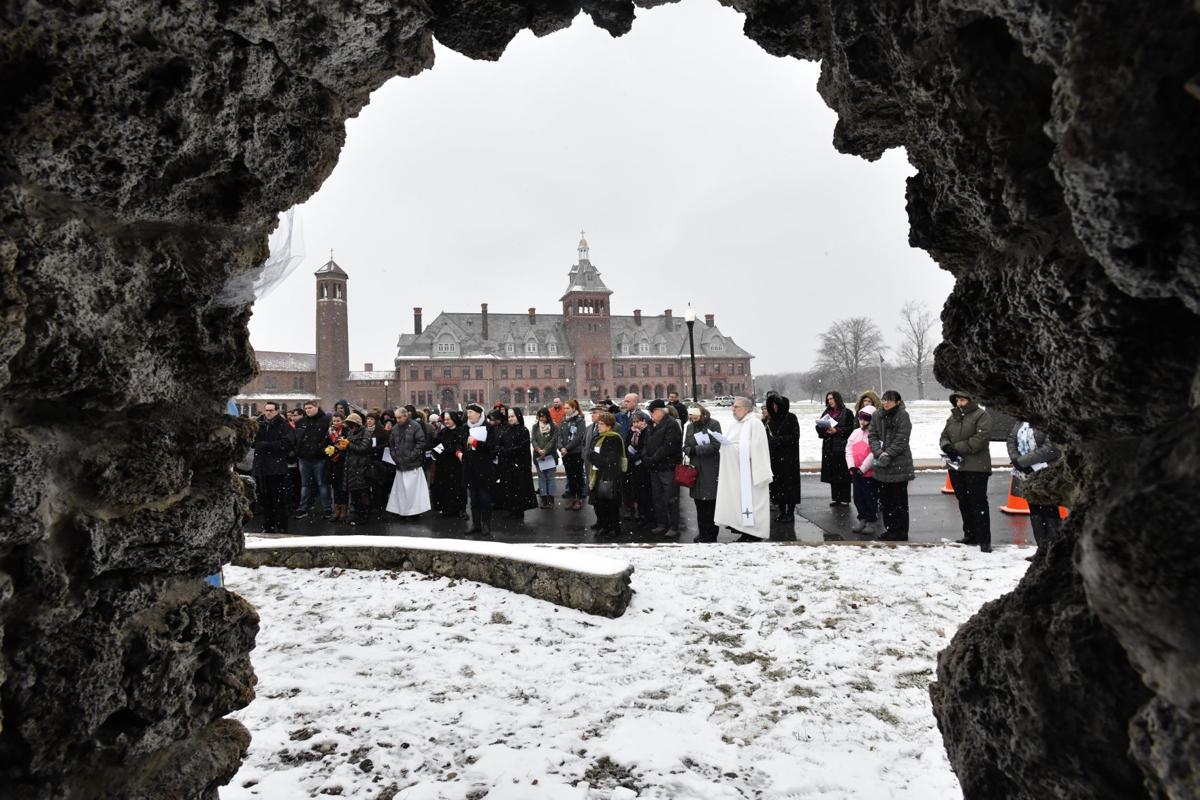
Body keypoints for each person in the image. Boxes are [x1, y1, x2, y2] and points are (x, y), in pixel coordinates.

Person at [940, 390, 995, 552]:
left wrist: (956, 448)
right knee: (964, 502)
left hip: (976, 467)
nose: (959, 403)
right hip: (957, 467)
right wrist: (946, 446)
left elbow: (980, 439)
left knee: (978, 503)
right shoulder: (953, 417)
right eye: (957, 400)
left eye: (962, 400)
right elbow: (944, 435)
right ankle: (970, 534)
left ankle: (984, 540)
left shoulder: (982, 416)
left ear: (970, 400)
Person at [715, 396, 774, 541]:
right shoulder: (734, 424)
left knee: (753, 503)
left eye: (736, 407)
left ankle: (755, 533)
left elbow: (758, 448)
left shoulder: (755, 424)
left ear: (747, 409)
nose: (733, 409)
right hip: (737, 473)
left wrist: (733, 448)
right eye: (733, 406)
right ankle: (745, 531)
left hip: (752, 473)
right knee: (740, 503)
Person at [1006, 421, 1064, 552]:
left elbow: (1051, 447)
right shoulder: (1020, 421)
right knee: (1035, 511)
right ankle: (1042, 550)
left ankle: (1054, 551)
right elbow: (1011, 440)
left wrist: (1023, 461)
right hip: (1025, 473)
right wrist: (1017, 460)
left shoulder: (1046, 418)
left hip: (1046, 472)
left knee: (1049, 511)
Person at [868, 390, 915, 541]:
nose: (886, 403)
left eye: (890, 400)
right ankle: (890, 529)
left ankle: (900, 531)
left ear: (898, 402)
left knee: (899, 502)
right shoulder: (877, 415)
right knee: (886, 501)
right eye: (884, 400)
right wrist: (879, 453)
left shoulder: (903, 415)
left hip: (899, 465)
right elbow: (872, 435)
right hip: (881, 465)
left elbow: (902, 439)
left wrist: (888, 454)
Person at [642, 399, 683, 536]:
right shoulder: (651, 424)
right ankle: (662, 524)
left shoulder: (671, 424)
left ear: (660, 411)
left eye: (652, 411)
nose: (650, 414)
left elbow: (669, 446)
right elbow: (646, 443)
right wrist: (645, 456)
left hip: (668, 467)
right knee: (657, 497)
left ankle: (673, 526)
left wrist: (653, 458)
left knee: (671, 497)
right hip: (655, 467)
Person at [252, 402, 292, 533]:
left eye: (271, 410)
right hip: (262, 467)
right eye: (266, 410)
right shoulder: (260, 424)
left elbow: (287, 443)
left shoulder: (283, 425)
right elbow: (253, 442)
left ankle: (281, 525)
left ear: (276, 411)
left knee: (278, 498)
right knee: (264, 498)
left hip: (276, 467)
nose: (268, 413)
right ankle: (268, 524)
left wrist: (268, 445)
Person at [683, 405, 722, 542]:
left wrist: (697, 450)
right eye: (690, 417)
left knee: (710, 503)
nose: (692, 419)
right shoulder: (690, 427)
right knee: (699, 502)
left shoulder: (714, 424)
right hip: (695, 469)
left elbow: (716, 445)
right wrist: (689, 450)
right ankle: (702, 532)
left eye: (694, 417)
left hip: (710, 468)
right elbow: (686, 445)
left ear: (702, 414)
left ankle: (711, 534)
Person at [386, 406, 431, 521]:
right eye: (396, 418)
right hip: (400, 464)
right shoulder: (395, 428)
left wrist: (411, 456)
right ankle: (402, 511)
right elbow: (391, 444)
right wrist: (395, 456)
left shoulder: (415, 426)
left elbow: (421, 442)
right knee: (401, 491)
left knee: (412, 491)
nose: (398, 420)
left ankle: (413, 512)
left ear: (406, 416)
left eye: (400, 417)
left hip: (412, 464)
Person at [588, 411, 627, 538]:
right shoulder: (598, 436)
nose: (598, 426)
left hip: (610, 475)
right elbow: (591, 453)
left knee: (610, 504)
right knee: (599, 503)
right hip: (598, 473)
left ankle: (613, 528)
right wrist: (593, 456)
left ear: (609, 425)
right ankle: (604, 525)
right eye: (598, 423)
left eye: (601, 423)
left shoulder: (614, 438)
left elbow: (609, 461)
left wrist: (593, 457)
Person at [763, 393, 802, 523]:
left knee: (789, 487)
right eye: (772, 405)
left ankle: (790, 512)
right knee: (777, 487)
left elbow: (795, 437)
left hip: (789, 459)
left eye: (776, 405)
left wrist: (778, 440)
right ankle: (782, 511)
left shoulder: (791, 417)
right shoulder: (771, 420)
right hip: (775, 458)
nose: (774, 408)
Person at [293, 400, 333, 520]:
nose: (308, 410)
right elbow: (297, 438)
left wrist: (321, 450)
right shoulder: (302, 422)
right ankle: (303, 508)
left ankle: (327, 509)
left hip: (319, 458)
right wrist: (298, 451)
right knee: (305, 485)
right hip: (304, 457)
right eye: (306, 408)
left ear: (316, 407)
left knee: (323, 484)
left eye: (310, 407)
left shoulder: (325, 421)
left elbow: (329, 439)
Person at [845, 404, 881, 535]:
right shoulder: (855, 433)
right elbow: (848, 449)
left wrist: (863, 468)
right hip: (856, 473)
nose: (863, 421)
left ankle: (871, 520)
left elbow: (873, 453)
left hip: (869, 474)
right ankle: (863, 518)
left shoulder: (875, 434)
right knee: (858, 497)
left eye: (866, 419)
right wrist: (851, 466)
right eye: (861, 418)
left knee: (870, 497)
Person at [498, 407, 539, 520]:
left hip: (519, 465)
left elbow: (522, 447)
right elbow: (500, 443)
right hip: (508, 465)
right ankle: (511, 509)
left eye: (513, 416)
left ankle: (518, 510)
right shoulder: (505, 430)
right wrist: (502, 450)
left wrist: (508, 451)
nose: (510, 418)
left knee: (519, 488)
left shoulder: (523, 430)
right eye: (509, 416)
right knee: (509, 488)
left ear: (518, 417)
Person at [462, 404, 497, 535]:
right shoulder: (465, 428)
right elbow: (461, 443)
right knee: (474, 499)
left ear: (478, 414)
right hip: (470, 468)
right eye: (468, 412)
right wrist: (461, 451)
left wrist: (476, 442)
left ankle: (486, 525)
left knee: (485, 498)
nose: (468, 414)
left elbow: (491, 447)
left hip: (484, 468)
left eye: (471, 412)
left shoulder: (489, 428)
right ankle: (476, 524)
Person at [817, 391, 854, 505]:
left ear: (837, 399)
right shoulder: (827, 412)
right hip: (829, 447)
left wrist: (837, 430)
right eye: (828, 399)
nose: (830, 401)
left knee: (843, 473)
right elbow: (819, 427)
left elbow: (851, 429)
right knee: (833, 474)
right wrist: (824, 429)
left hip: (842, 447)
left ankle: (845, 498)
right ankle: (836, 498)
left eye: (832, 398)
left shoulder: (847, 412)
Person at [431, 410, 469, 518]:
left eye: (448, 419)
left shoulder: (461, 431)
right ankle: (447, 508)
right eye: (445, 420)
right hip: (444, 464)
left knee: (459, 487)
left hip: (456, 465)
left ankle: (461, 509)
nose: (446, 422)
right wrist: (435, 452)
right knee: (445, 487)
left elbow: (462, 446)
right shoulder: (442, 432)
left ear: (454, 419)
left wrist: (452, 449)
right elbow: (438, 444)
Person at [340, 413, 374, 526]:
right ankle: (355, 514)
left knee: (362, 492)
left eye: (353, 425)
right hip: (351, 467)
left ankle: (364, 515)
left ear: (358, 424)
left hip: (362, 467)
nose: (351, 427)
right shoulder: (350, 432)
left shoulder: (366, 433)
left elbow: (363, 449)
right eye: (350, 425)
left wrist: (349, 444)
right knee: (354, 493)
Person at [626, 411, 654, 529]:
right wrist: (630, 453)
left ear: (643, 421)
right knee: (636, 491)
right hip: (633, 464)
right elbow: (626, 442)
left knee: (645, 492)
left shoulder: (647, 431)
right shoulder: (631, 431)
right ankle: (640, 514)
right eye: (634, 422)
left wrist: (638, 456)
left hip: (643, 465)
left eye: (638, 421)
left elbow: (646, 447)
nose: (636, 424)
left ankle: (648, 517)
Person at [558, 399, 587, 510]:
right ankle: (571, 498)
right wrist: (560, 447)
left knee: (578, 476)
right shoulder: (564, 421)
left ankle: (578, 499)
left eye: (567, 408)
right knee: (570, 477)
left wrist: (567, 448)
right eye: (564, 408)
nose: (565, 410)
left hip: (576, 453)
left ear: (574, 408)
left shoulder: (580, 421)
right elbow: (559, 436)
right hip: (566, 454)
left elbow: (579, 437)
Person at [531, 407, 559, 508]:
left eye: (543, 417)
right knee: (541, 478)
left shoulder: (554, 427)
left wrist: (545, 450)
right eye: (540, 417)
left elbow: (553, 440)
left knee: (550, 477)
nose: (542, 419)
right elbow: (533, 440)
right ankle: (544, 499)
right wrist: (538, 449)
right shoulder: (535, 427)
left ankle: (551, 498)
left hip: (550, 456)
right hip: (538, 456)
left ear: (548, 417)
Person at [324, 412, 349, 522]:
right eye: (334, 421)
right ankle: (336, 509)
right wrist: (330, 450)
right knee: (335, 487)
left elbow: (348, 446)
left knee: (343, 487)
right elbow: (325, 444)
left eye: (338, 420)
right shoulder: (329, 432)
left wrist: (340, 452)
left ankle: (344, 510)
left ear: (342, 421)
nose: (336, 423)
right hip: (332, 463)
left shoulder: (346, 431)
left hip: (343, 462)